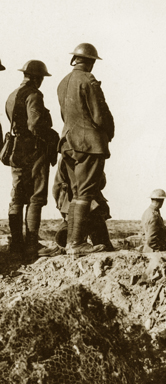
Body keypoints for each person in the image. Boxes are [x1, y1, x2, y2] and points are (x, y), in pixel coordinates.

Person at [57, 43, 114, 256]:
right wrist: (109, 131)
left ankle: (73, 242)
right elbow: (99, 116)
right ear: (90, 61)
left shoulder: (63, 82)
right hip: (89, 145)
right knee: (85, 193)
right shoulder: (88, 80)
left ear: (75, 60)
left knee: (76, 193)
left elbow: (65, 115)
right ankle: (76, 243)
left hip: (68, 143)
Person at [5, 60, 59, 256]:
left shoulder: (11, 95)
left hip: (16, 152)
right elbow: (35, 125)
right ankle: (31, 244)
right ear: (37, 78)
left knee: (17, 197)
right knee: (36, 197)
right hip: (33, 151)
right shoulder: (34, 95)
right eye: (41, 78)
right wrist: (51, 136)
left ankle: (16, 244)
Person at [52, 155, 114, 251]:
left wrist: (62, 210)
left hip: (68, 202)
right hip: (85, 203)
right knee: (96, 219)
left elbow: (57, 188)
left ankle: (70, 237)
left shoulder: (66, 154)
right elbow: (101, 182)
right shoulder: (88, 154)